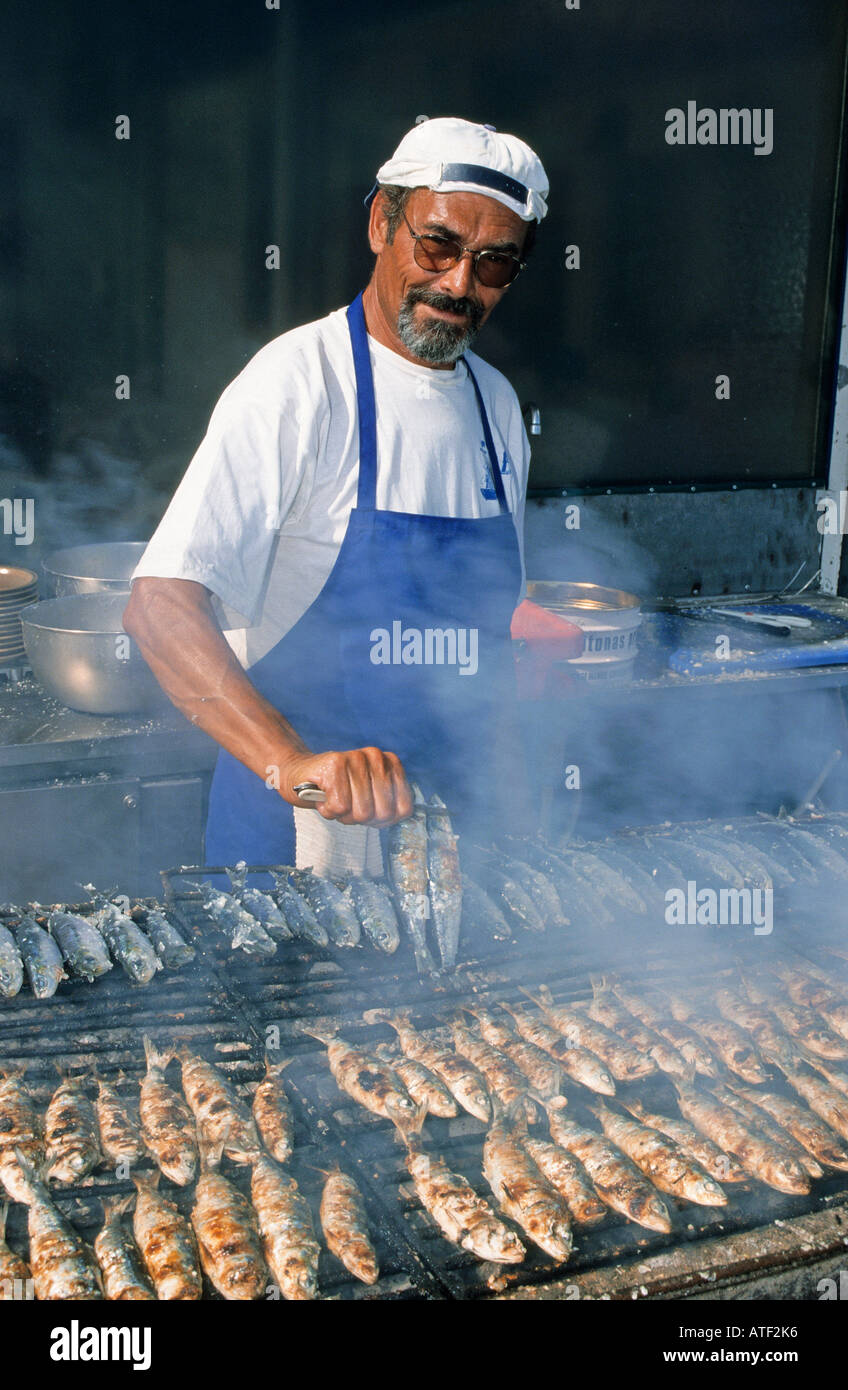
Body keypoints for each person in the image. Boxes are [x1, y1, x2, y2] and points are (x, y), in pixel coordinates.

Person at [124, 116, 549, 874]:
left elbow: (491, 658)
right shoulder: (297, 384)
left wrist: (520, 833)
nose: (458, 284)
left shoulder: (498, 406)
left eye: (492, 265)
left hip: (454, 846)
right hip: (298, 845)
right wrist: (291, 764)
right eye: (438, 246)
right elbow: (160, 606)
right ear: (383, 223)